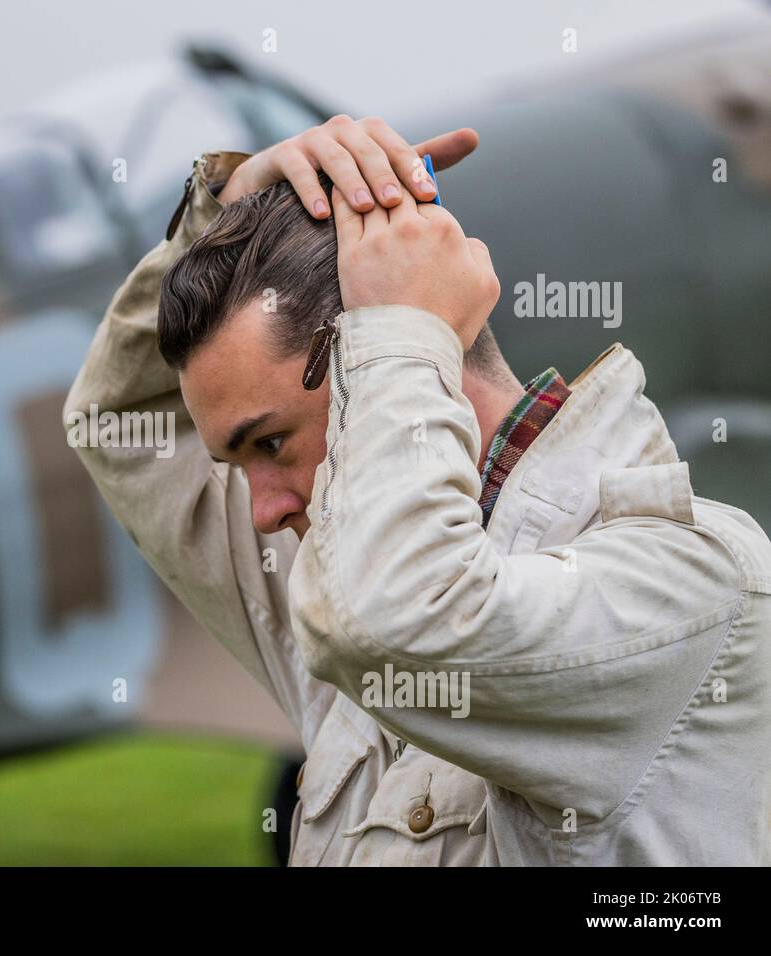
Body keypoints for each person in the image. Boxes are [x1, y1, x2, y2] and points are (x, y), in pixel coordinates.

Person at [65, 116, 771, 865]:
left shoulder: (691, 585)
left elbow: (395, 622)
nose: (264, 510)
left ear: (407, 361)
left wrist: (401, 328)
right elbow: (124, 423)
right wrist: (224, 209)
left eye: (271, 443)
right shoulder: (338, 578)